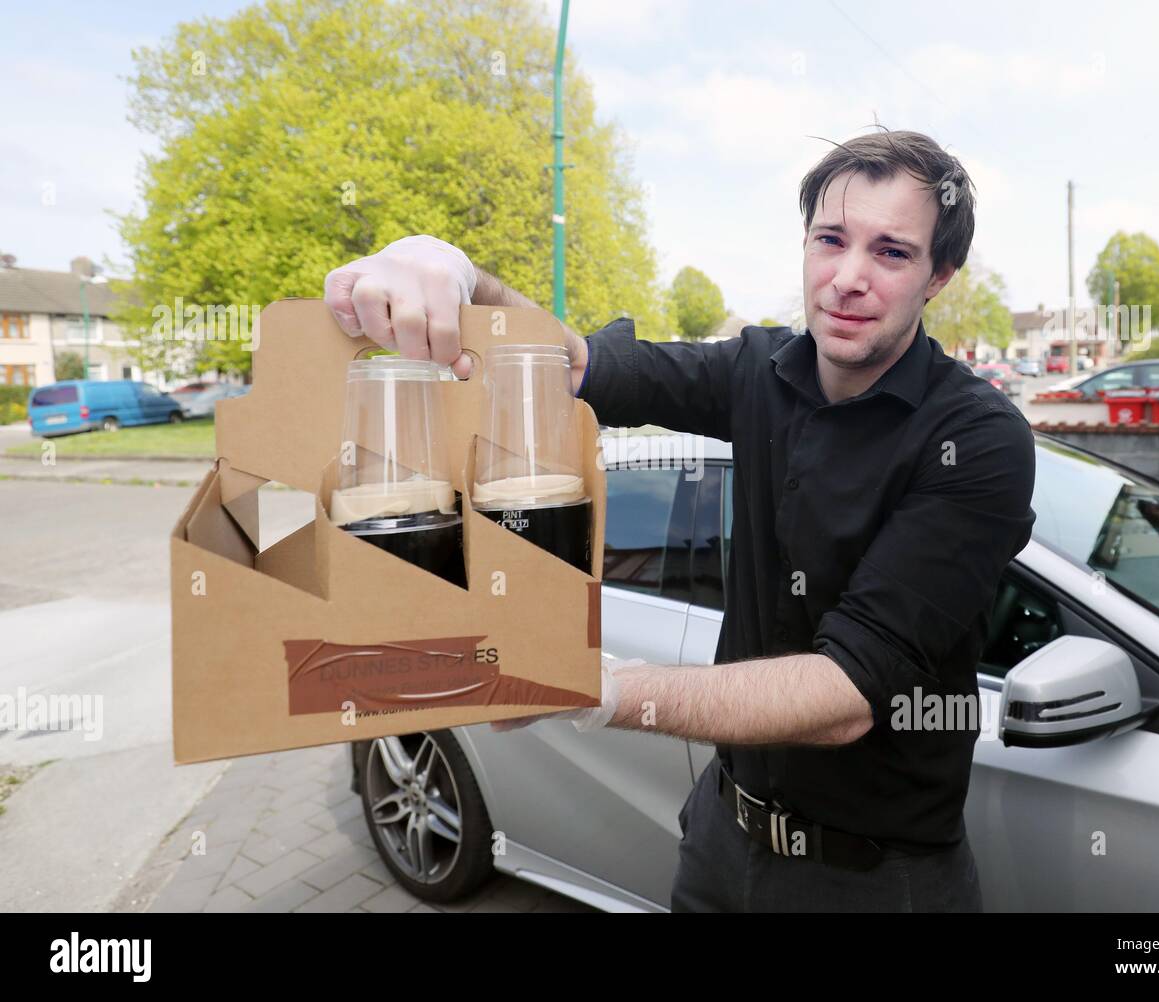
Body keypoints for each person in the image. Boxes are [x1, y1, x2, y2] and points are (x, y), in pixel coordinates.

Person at [323, 128, 1036, 913]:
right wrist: (458, 273)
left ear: (939, 276)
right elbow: (577, 367)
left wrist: (597, 691)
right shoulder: (759, 370)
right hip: (720, 842)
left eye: (892, 253)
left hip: (876, 883)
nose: (847, 278)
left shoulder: (976, 439)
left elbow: (845, 696)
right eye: (830, 240)